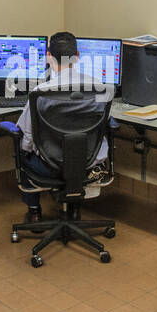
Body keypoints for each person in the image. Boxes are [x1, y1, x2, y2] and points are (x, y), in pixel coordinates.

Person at [15, 31, 111, 222]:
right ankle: (74, 208)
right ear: (77, 56)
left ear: (48, 56)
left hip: (48, 166)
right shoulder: (99, 86)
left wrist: (26, 150)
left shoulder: (40, 93)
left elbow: (27, 137)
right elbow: (106, 121)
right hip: (88, 162)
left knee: (23, 153)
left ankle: (34, 212)